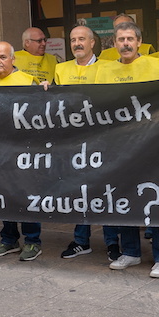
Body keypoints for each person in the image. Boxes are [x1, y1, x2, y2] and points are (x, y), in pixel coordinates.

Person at [96, 23, 159, 277]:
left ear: (140, 42)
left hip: (151, 144)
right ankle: (130, 252)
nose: (125, 43)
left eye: (130, 38)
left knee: (156, 199)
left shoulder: (154, 66)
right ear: (115, 44)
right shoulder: (105, 70)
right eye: (121, 39)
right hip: (119, 146)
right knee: (124, 198)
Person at [0, 43, 42, 261]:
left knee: (25, 194)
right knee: (3, 193)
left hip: (22, 149)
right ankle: (9, 239)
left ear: (13, 59)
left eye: (3, 57)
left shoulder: (27, 81)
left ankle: (33, 240)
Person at [54, 25, 100, 259]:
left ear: (93, 42)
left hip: (103, 139)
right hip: (73, 142)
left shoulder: (108, 68)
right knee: (79, 191)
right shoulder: (61, 69)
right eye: (73, 40)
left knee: (105, 188)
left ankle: (112, 243)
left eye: (82, 39)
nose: (77, 43)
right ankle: (81, 241)